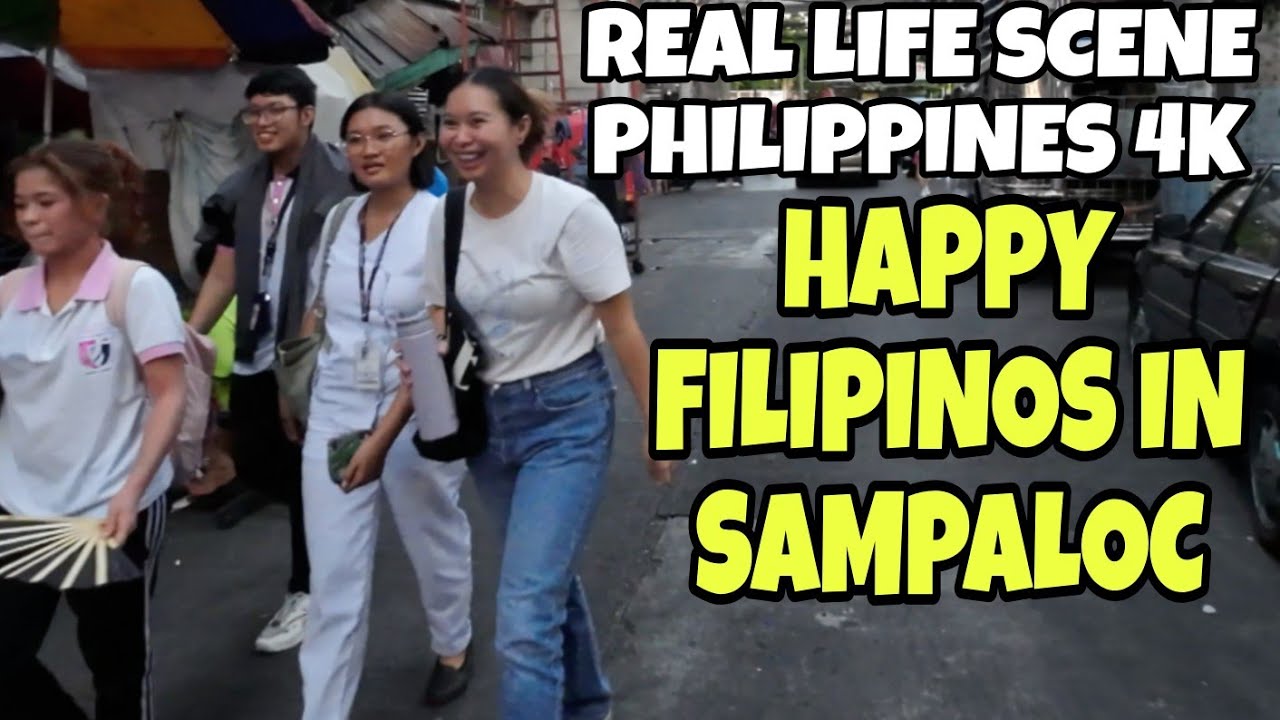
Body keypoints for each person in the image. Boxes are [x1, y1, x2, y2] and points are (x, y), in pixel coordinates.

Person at [424, 67, 674, 720]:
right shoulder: (445, 216)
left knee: (523, 614)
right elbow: (439, 327)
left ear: (521, 127)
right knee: (544, 587)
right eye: (450, 123)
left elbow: (622, 327)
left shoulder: (571, 212)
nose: (460, 136)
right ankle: (588, 705)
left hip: (566, 418)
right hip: (489, 428)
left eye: (477, 121)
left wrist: (658, 426)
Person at [296, 91, 474, 719]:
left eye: (383, 135)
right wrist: (297, 383)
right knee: (333, 577)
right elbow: (319, 305)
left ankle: (454, 644)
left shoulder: (442, 219)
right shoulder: (342, 217)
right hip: (338, 402)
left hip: (416, 406)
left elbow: (436, 337)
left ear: (417, 142)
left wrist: (382, 438)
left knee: (432, 533)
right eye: (355, 139)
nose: (368, 150)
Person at [0, 138, 187, 719]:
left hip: (107, 511)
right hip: (23, 507)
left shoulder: (135, 286)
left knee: (116, 667)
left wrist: (131, 491)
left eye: (47, 202)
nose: (30, 217)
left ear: (94, 205)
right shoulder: (6, 293)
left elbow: (169, 393)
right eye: (22, 204)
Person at [186, 66, 355, 653]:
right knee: (265, 461)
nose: (261, 121)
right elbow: (227, 266)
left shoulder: (341, 180)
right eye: (253, 111)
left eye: (274, 109)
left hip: (315, 353)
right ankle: (334, 552)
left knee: (307, 475)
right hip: (260, 350)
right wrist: (190, 336)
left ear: (307, 114)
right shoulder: (245, 186)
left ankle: (309, 590)